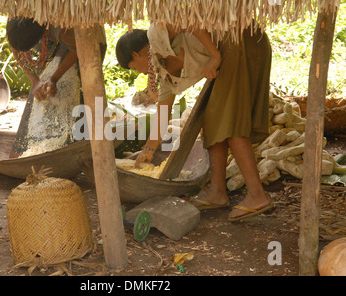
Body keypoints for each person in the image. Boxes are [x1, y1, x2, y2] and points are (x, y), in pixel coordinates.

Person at [115, 22, 273, 221]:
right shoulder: (163, 73)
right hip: (233, 52)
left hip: (238, 42)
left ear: (136, 55)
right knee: (212, 121)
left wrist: (214, 55)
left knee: (228, 123)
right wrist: (148, 150)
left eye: (132, 67)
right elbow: (163, 113)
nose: (139, 72)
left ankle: (257, 195)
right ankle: (217, 192)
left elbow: (188, 19)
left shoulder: (156, 34)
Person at [6, 17, 106, 158]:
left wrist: (54, 79)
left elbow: (79, 48)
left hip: (87, 42)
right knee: (42, 97)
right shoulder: (18, 21)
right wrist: (36, 82)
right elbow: (16, 49)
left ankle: (82, 152)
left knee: (77, 93)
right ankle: (25, 152)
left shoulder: (65, 26)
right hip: (55, 37)